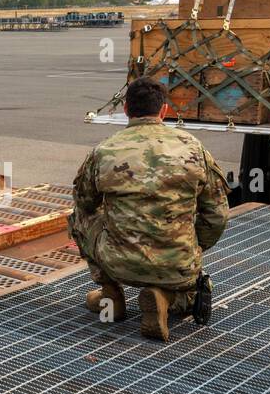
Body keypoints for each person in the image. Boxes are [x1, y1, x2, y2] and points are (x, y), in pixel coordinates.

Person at [69, 76, 229, 342]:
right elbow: (217, 215)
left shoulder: (104, 151)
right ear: (164, 110)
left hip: (118, 262)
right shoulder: (194, 148)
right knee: (185, 292)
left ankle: (112, 295)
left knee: (78, 218)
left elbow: (84, 204)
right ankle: (163, 297)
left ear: (126, 111)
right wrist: (192, 246)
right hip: (178, 265)